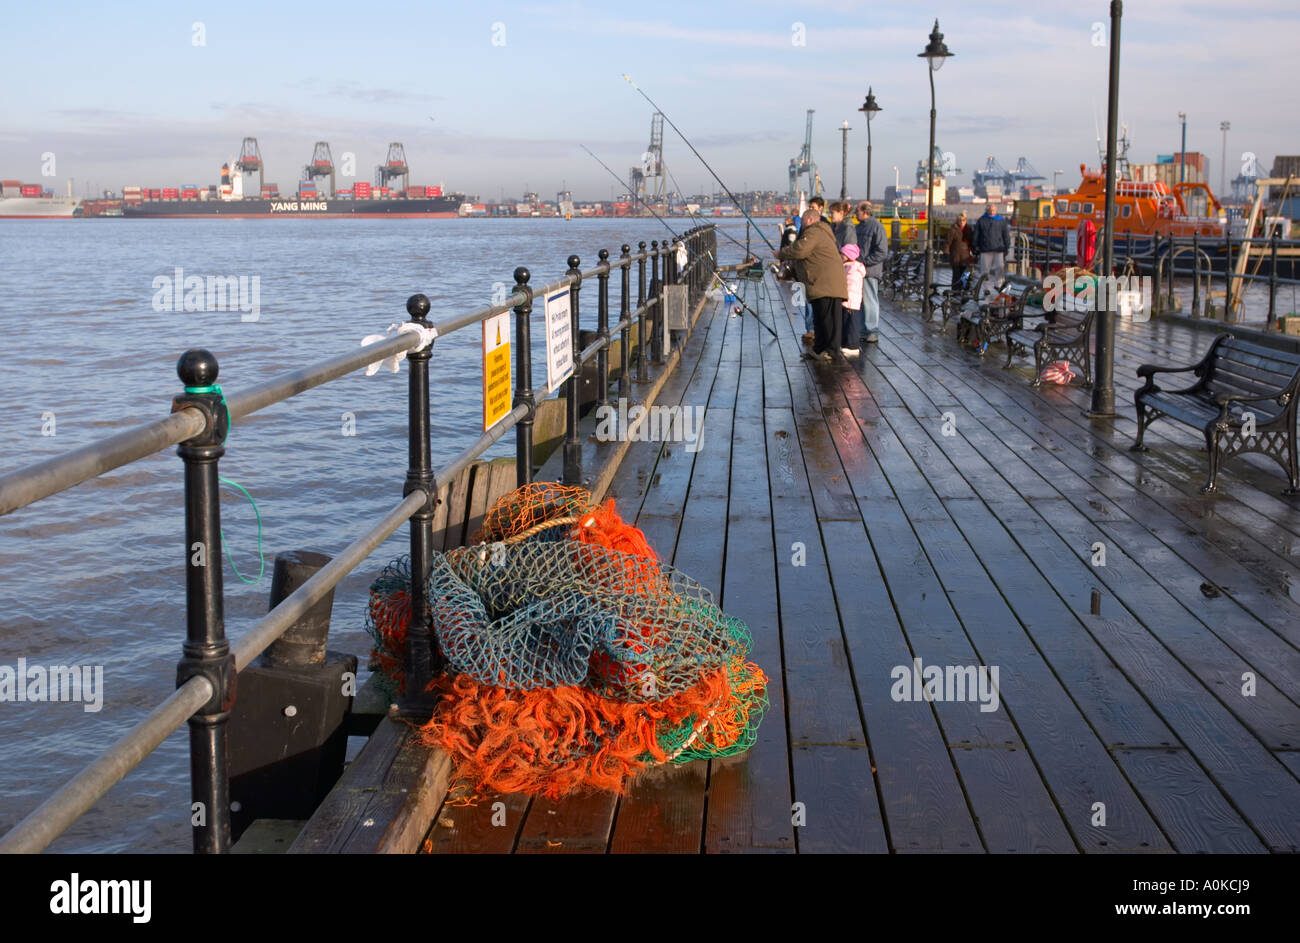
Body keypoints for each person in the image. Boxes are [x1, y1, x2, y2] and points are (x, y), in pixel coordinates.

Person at [779, 207, 848, 361]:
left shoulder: (814, 232)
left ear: (810, 220)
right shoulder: (819, 232)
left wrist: (782, 253)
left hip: (827, 284)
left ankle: (832, 351)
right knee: (821, 318)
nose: (801, 223)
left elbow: (800, 251)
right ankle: (820, 349)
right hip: (822, 283)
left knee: (828, 319)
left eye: (803, 220)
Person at [854, 201, 887, 344]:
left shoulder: (876, 227)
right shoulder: (858, 227)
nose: (855, 213)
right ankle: (863, 330)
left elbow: (882, 252)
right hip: (859, 270)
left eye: (857, 210)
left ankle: (872, 330)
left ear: (864, 211)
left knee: (870, 300)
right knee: (860, 301)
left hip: (869, 271)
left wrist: (864, 262)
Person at [971, 203, 1010, 288]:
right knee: (985, 270)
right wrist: (975, 246)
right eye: (990, 210)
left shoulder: (1001, 220)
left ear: (996, 211)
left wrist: (1006, 246)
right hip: (985, 248)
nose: (992, 212)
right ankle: (986, 287)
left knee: (1000, 267)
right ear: (987, 210)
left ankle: (998, 285)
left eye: (993, 210)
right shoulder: (981, 220)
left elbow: (1006, 235)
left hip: (998, 248)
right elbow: (976, 234)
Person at [839, 243, 866, 357]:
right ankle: (847, 344)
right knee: (848, 323)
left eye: (842, 254)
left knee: (851, 324)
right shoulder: (853, 266)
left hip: (849, 300)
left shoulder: (851, 268)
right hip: (852, 300)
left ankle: (852, 345)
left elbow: (848, 284)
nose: (840, 255)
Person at [947, 212, 973, 290]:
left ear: (966, 220)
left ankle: (964, 288)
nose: (962, 222)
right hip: (956, 255)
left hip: (965, 255)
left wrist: (974, 251)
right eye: (960, 220)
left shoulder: (968, 229)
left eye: (963, 220)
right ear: (957, 221)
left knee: (965, 274)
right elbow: (947, 242)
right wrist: (946, 252)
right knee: (956, 274)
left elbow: (972, 242)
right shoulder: (953, 229)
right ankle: (955, 289)